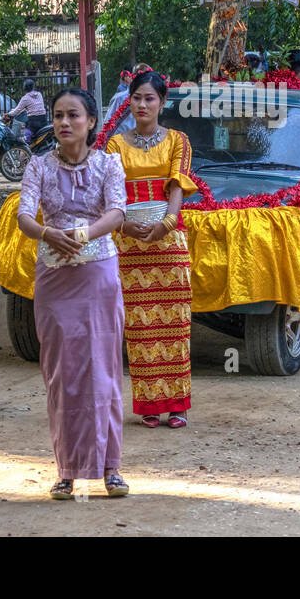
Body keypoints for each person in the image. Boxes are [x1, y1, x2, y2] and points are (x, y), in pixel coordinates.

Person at [15, 88, 130, 499]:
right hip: (53, 276)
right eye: (58, 116)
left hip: (98, 273)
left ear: (91, 122)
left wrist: (84, 234)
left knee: (103, 370)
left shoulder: (109, 164)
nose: (64, 123)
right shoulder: (38, 167)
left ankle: (110, 467)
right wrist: (49, 233)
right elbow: (23, 215)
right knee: (61, 374)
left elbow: (117, 212)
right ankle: (66, 470)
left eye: (73, 115)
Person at [105, 71, 198, 428]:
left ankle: (178, 405)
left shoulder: (178, 140)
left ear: (162, 102)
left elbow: (176, 184)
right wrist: (124, 225)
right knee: (141, 325)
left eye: (150, 98)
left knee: (174, 322)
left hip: (168, 238)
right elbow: (111, 193)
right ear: (128, 101)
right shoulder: (115, 145)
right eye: (136, 98)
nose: (142, 105)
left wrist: (168, 223)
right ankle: (148, 405)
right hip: (129, 240)